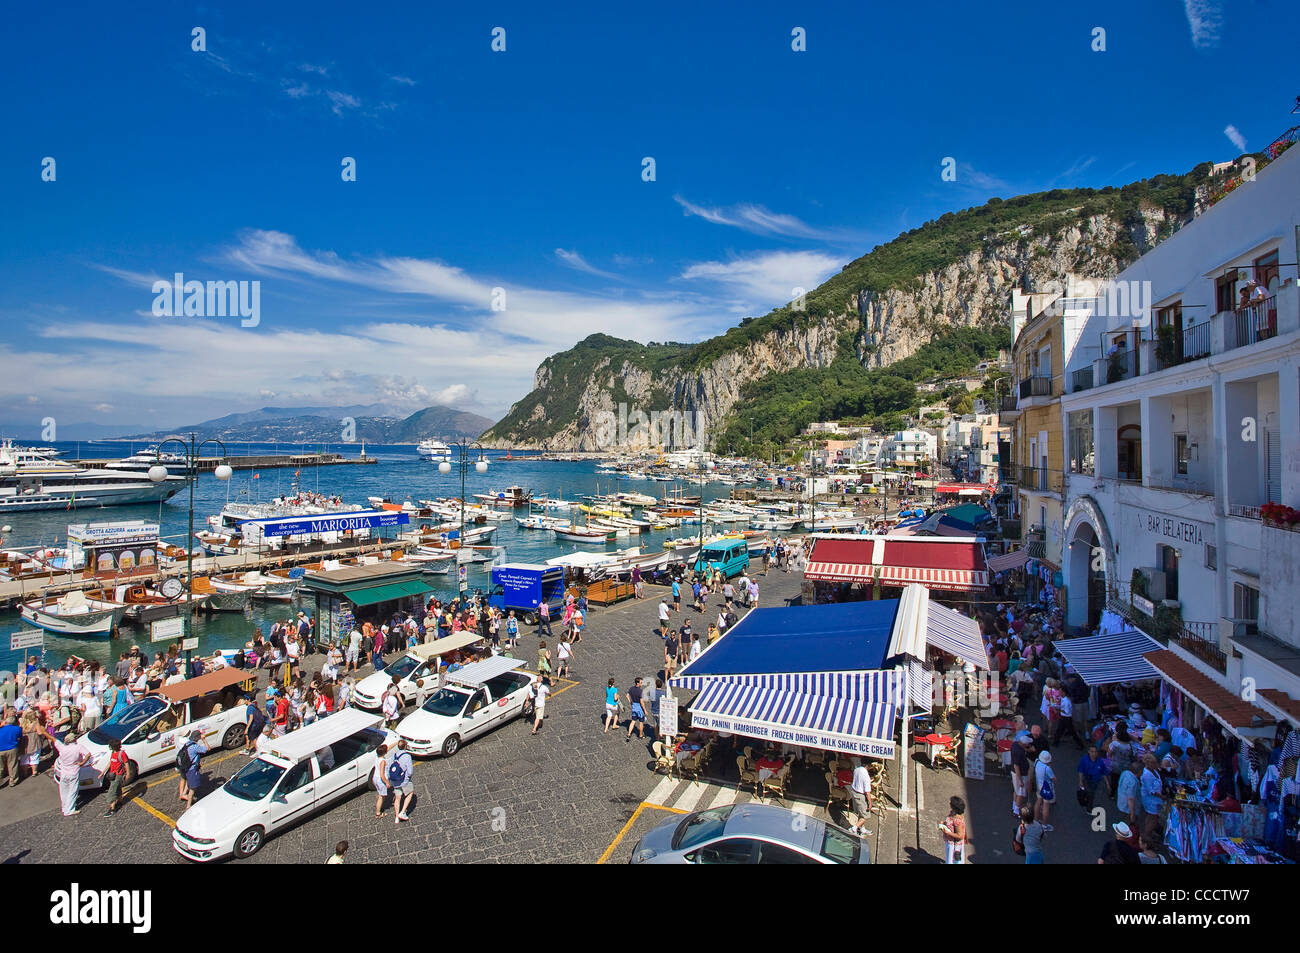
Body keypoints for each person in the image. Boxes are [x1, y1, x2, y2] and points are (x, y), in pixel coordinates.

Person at [48, 724, 91, 816]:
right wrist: (82, 763)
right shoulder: (78, 747)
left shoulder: (62, 747)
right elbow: (88, 754)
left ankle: (64, 807)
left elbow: (53, 739)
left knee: (64, 791)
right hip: (74, 772)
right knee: (73, 791)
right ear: (74, 740)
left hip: (64, 772)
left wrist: (43, 731)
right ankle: (70, 810)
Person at [177, 729, 208, 810]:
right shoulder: (194, 747)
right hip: (192, 769)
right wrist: (204, 740)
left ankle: (183, 794)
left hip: (185, 767)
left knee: (187, 781)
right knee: (193, 788)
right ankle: (188, 805)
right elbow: (207, 749)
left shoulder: (186, 743)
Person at [100, 738, 130, 817]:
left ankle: (112, 809)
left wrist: (128, 774)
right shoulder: (113, 752)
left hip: (118, 775)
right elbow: (110, 762)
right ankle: (120, 802)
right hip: (112, 774)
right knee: (117, 788)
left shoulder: (122, 754)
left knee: (112, 792)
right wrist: (103, 772)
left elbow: (126, 764)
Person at [389, 739, 415, 822]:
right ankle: (402, 812)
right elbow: (410, 771)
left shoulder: (394, 755)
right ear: (405, 746)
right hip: (404, 781)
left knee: (397, 798)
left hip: (395, 781)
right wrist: (408, 777)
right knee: (410, 793)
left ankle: (396, 817)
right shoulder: (407, 756)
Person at [1077, 745, 1107, 812]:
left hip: (1097, 781)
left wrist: (1107, 784)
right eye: (1092, 751)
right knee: (1090, 794)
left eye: (1095, 752)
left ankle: (1092, 805)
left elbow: (1104, 772)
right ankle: (1089, 807)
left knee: (1096, 795)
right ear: (1088, 752)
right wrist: (1080, 781)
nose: (1094, 753)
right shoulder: (1084, 760)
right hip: (1087, 780)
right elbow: (1080, 770)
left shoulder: (1100, 761)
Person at [939, 796, 967, 864]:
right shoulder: (952, 813)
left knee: (952, 861)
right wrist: (944, 823)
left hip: (954, 846)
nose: (949, 803)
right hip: (949, 842)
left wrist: (948, 832)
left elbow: (960, 836)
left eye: (951, 803)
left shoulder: (957, 820)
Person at [849, 758, 873, 836]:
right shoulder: (866, 776)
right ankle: (854, 829)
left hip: (854, 792)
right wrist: (870, 803)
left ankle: (862, 829)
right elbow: (867, 792)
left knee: (860, 812)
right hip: (860, 795)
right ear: (867, 766)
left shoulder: (857, 769)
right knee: (865, 816)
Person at [1010, 733, 1031, 817]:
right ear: (1024, 744)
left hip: (1014, 773)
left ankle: (1014, 806)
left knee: (1016, 790)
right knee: (1020, 792)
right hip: (1020, 774)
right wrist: (1021, 780)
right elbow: (1016, 766)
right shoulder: (1019, 752)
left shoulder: (1015, 745)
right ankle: (1016, 811)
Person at [1034, 751, 1055, 829]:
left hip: (1039, 786)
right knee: (1046, 806)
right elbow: (1053, 779)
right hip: (1046, 788)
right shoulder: (1047, 768)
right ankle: (1044, 825)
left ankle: (1035, 820)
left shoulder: (1036, 762)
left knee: (1038, 802)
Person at [0, 713, 21, 787]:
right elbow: (19, 737)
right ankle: (13, 781)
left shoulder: (1, 729)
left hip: (1, 749)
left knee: (0, 767)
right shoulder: (17, 728)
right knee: (12, 765)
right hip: (12, 748)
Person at [373, 743, 392, 817]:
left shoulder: (377, 756)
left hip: (375, 778)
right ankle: (378, 813)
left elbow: (388, 748)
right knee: (381, 797)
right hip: (381, 780)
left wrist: (396, 743)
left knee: (381, 794)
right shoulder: (383, 761)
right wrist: (387, 783)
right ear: (385, 752)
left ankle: (379, 807)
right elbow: (382, 775)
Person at [625, 677, 646, 742]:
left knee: (633, 721)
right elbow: (642, 702)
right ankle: (640, 735)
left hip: (634, 706)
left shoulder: (631, 688)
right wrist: (645, 710)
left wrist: (630, 702)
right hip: (639, 708)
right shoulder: (640, 691)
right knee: (641, 722)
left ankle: (629, 734)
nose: (641, 684)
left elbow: (627, 695)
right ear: (638, 683)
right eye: (641, 683)